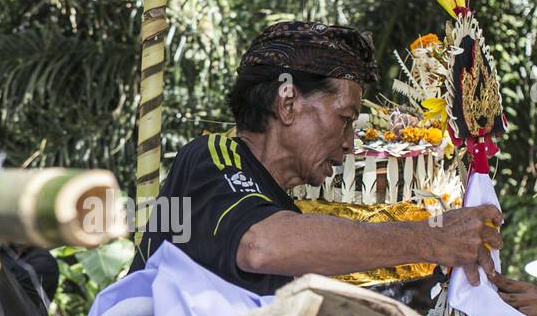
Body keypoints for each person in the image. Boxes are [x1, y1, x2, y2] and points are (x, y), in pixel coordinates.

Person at [129, 21, 502, 295]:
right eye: (345, 119)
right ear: (288, 104)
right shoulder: (212, 156)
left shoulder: (279, 203)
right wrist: (429, 237)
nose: (350, 146)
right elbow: (261, 246)